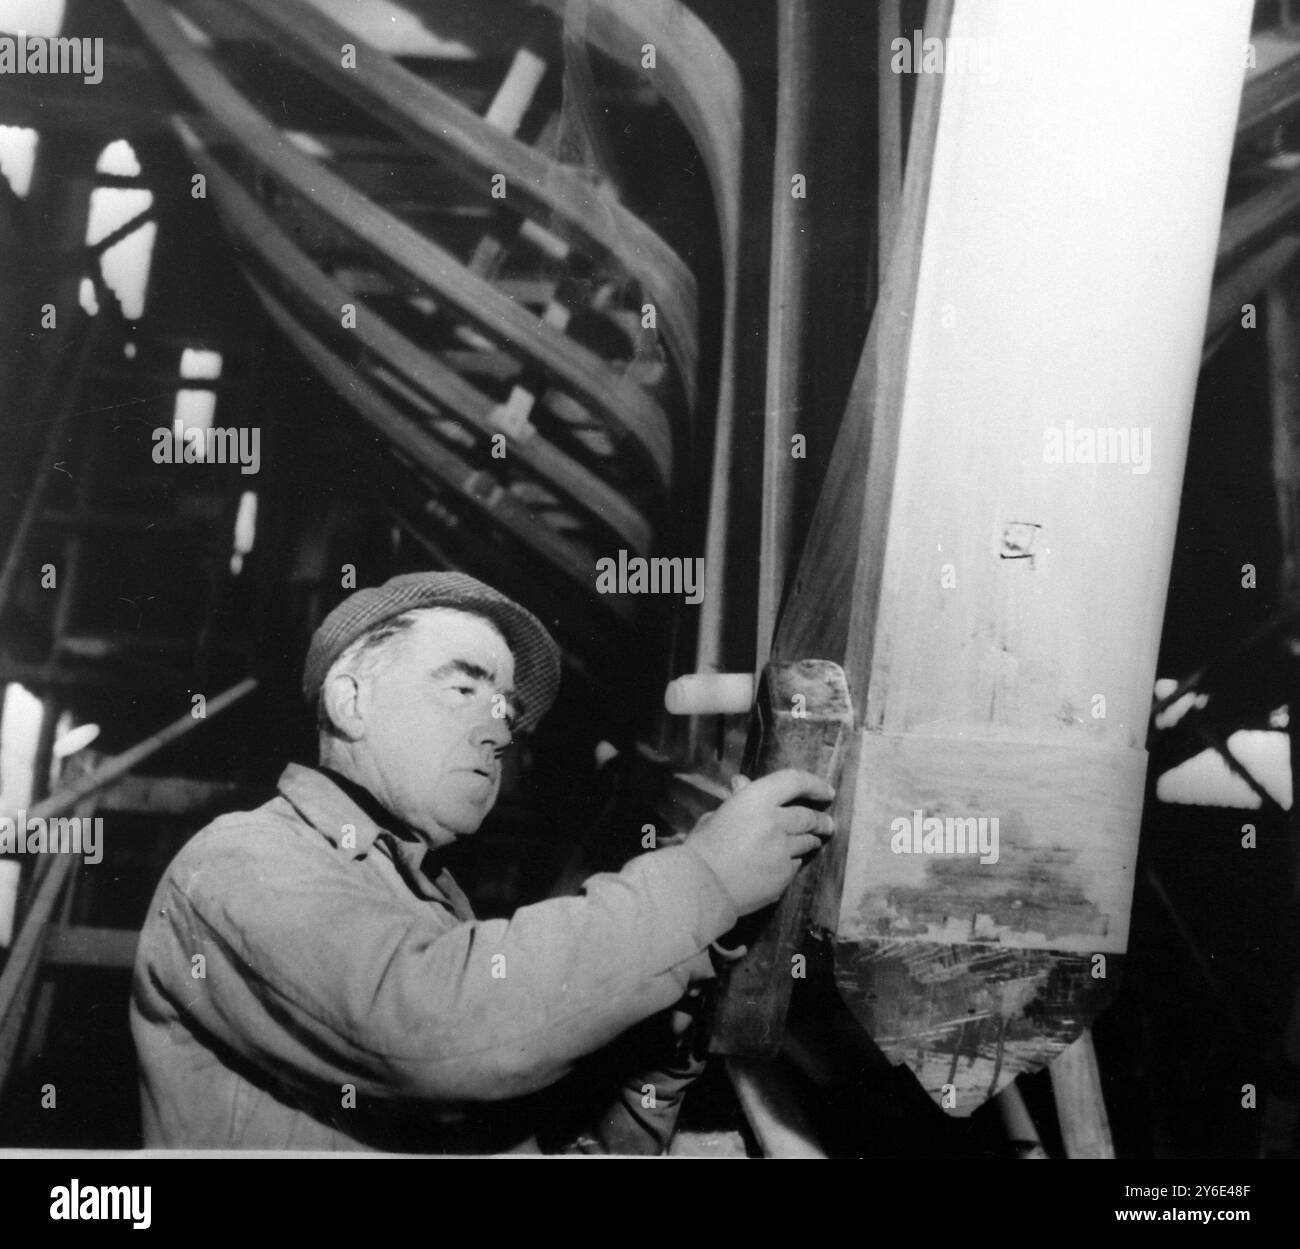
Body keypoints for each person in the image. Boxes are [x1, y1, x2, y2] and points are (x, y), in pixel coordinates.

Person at [129, 571, 834, 1153]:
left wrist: (669, 1024)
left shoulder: (426, 901)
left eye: (505, 710)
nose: (498, 730)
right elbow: (435, 1027)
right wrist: (702, 880)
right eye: (464, 689)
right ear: (350, 699)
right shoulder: (238, 860)